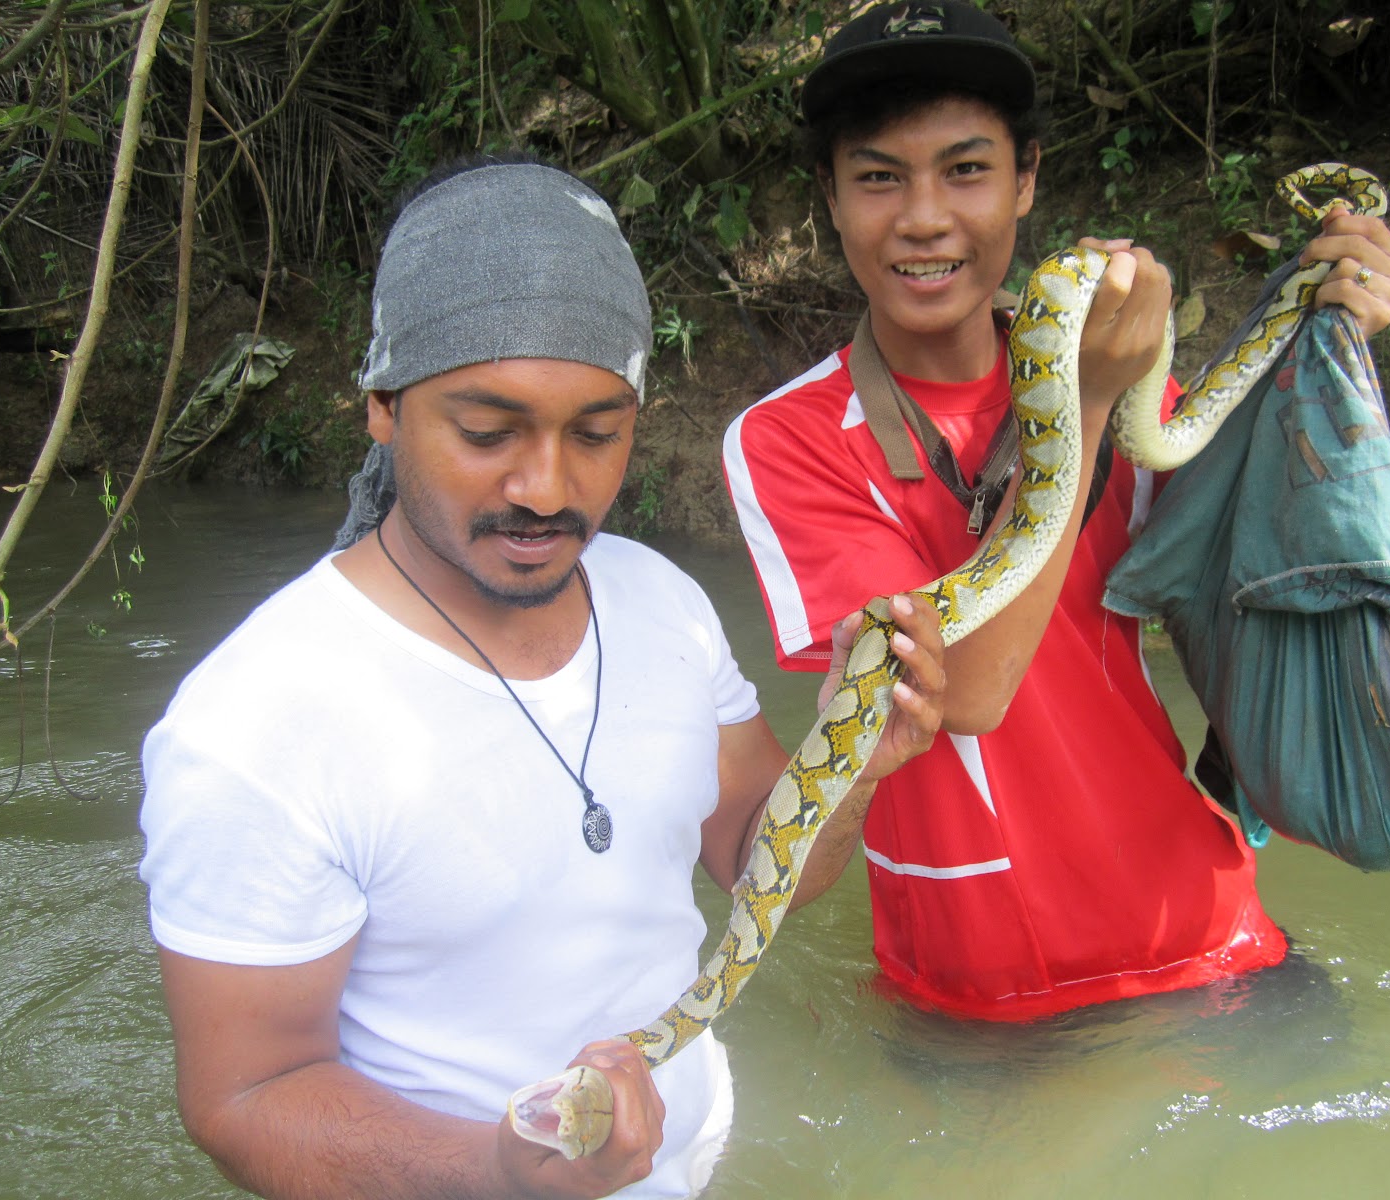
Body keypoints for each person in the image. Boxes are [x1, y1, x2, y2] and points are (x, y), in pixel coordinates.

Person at [138, 157, 946, 1200]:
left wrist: (852, 765)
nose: (546, 489)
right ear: (381, 409)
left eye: (597, 433)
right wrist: (497, 1171)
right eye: (487, 432)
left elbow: (759, 864)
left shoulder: (659, 601)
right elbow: (247, 1098)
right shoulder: (252, 724)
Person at [723, 2, 1390, 1021]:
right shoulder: (787, 441)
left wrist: (1333, 339)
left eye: (965, 170)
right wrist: (1084, 397)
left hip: (1211, 931)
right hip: (988, 991)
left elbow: (1282, 584)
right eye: (878, 176)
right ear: (829, 198)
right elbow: (957, 693)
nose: (923, 218)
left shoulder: (1147, 396)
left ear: (1027, 180)